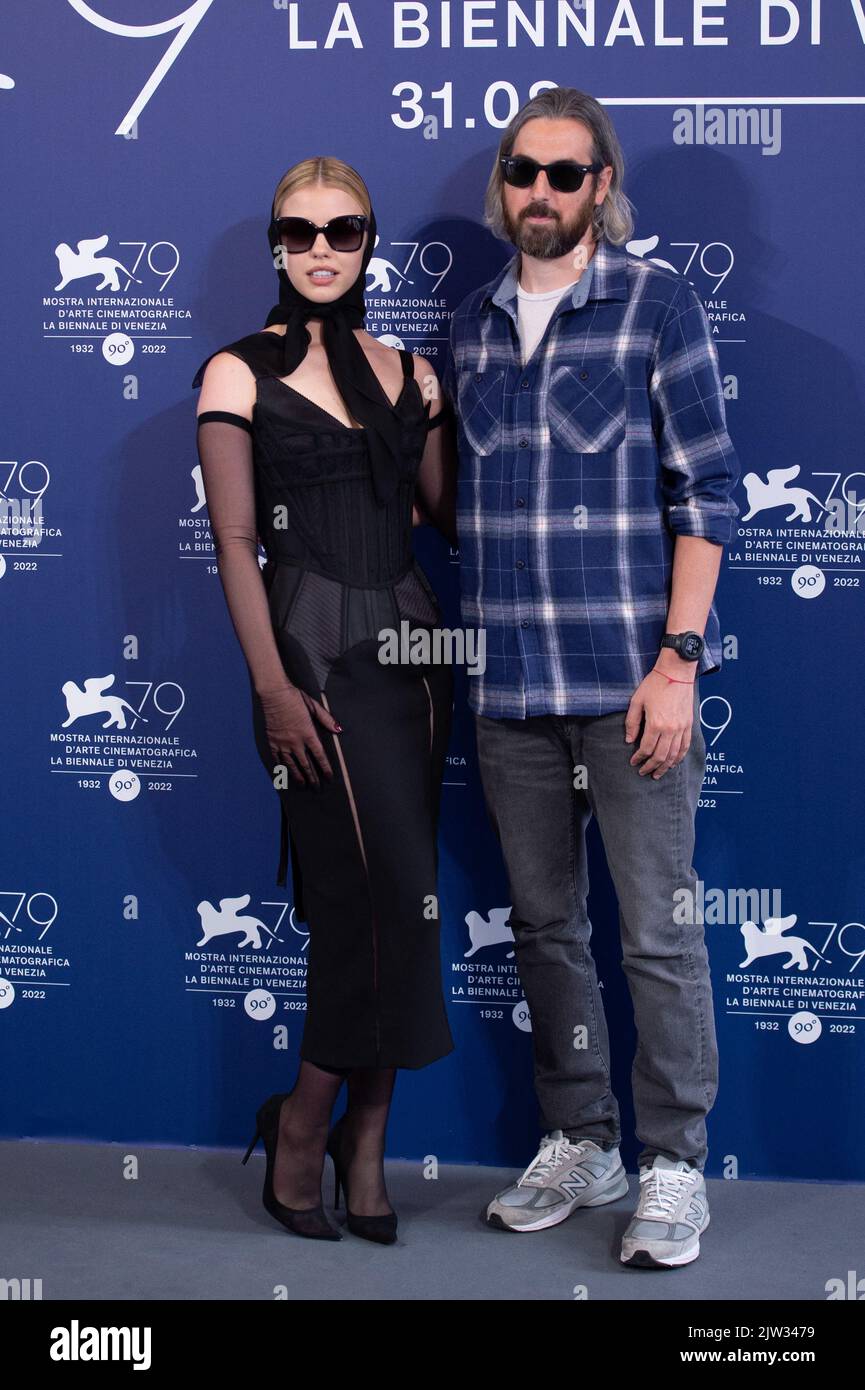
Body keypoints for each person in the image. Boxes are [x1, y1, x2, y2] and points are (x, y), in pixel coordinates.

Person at [444, 87, 740, 1268]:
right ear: (502, 184)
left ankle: (673, 1162)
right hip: (510, 685)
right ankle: (584, 1136)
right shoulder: (469, 322)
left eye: (567, 174)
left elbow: (706, 492)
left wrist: (677, 661)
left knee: (658, 934)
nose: (543, 195)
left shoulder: (658, 305)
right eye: (524, 172)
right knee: (546, 928)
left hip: (632, 687)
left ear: (601, 186)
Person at [192, 157, 458, 1244]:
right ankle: (304, 1124)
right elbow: (236, 540)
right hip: (305, 657)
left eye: (341, 231)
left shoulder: (415, 374)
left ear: (366, 242)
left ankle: (369, 1139)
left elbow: (446, 514)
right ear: (276, 244)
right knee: (359, 902)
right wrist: (270, 686)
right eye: (297, 232)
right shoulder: (235, 372)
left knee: (406, 895)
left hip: (413, 659)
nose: (319, 250)